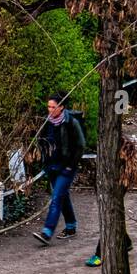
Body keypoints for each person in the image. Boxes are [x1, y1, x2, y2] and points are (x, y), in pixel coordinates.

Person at [32, 93, 86, 246]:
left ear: (61, 107)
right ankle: (70, 226)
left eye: (53, 107)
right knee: (62, 196)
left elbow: (81, 145)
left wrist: (70, 165)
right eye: (48, 107)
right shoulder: (46, 123)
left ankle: (47, 231)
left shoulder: (71, 122)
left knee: (56, 198)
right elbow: (42, 143)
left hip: (66, 168)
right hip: (51, 167)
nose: (50, 110)